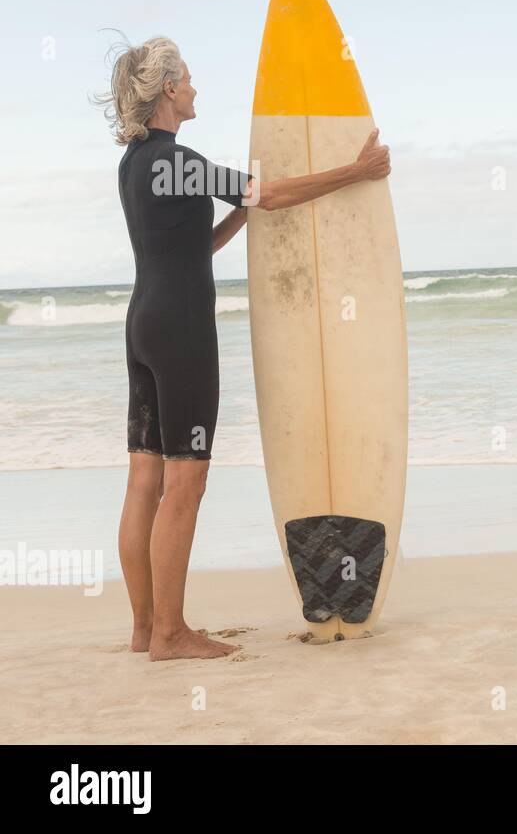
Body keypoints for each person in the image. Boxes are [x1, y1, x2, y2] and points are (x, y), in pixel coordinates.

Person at [97, 36, 391, 660]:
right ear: (170, 90)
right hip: (181, 332)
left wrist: (240, 218)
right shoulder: (179, 161)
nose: (197, 88)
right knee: (187, 480)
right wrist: (356, 172)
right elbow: (274, 192)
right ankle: (172, 636)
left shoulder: (133, 165)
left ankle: (145, 628)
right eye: (191, 79)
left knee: (143, 480)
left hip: (141, 324)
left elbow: (187, 248)